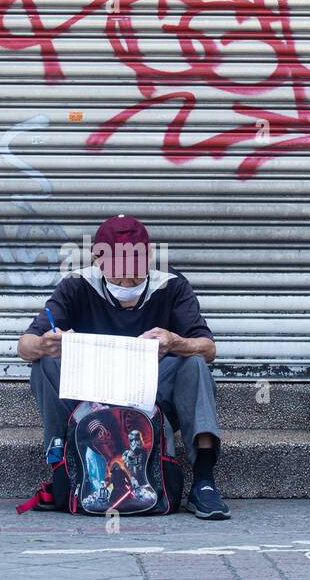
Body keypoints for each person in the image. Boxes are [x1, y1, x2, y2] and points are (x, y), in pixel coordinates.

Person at [18, 215, 230, 520]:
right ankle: (63, 464)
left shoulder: (171, 285)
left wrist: (174, 342)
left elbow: (208, 348)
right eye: (118, 273)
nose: (126, 281)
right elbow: (24, 346)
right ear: (99, 261)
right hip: (91, 395)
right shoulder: (77, 285)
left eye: (134, 271)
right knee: (43, 365)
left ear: (149, 259)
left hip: (150, 395)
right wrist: (47, 344)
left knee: (194, 364)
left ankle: (204, 482)